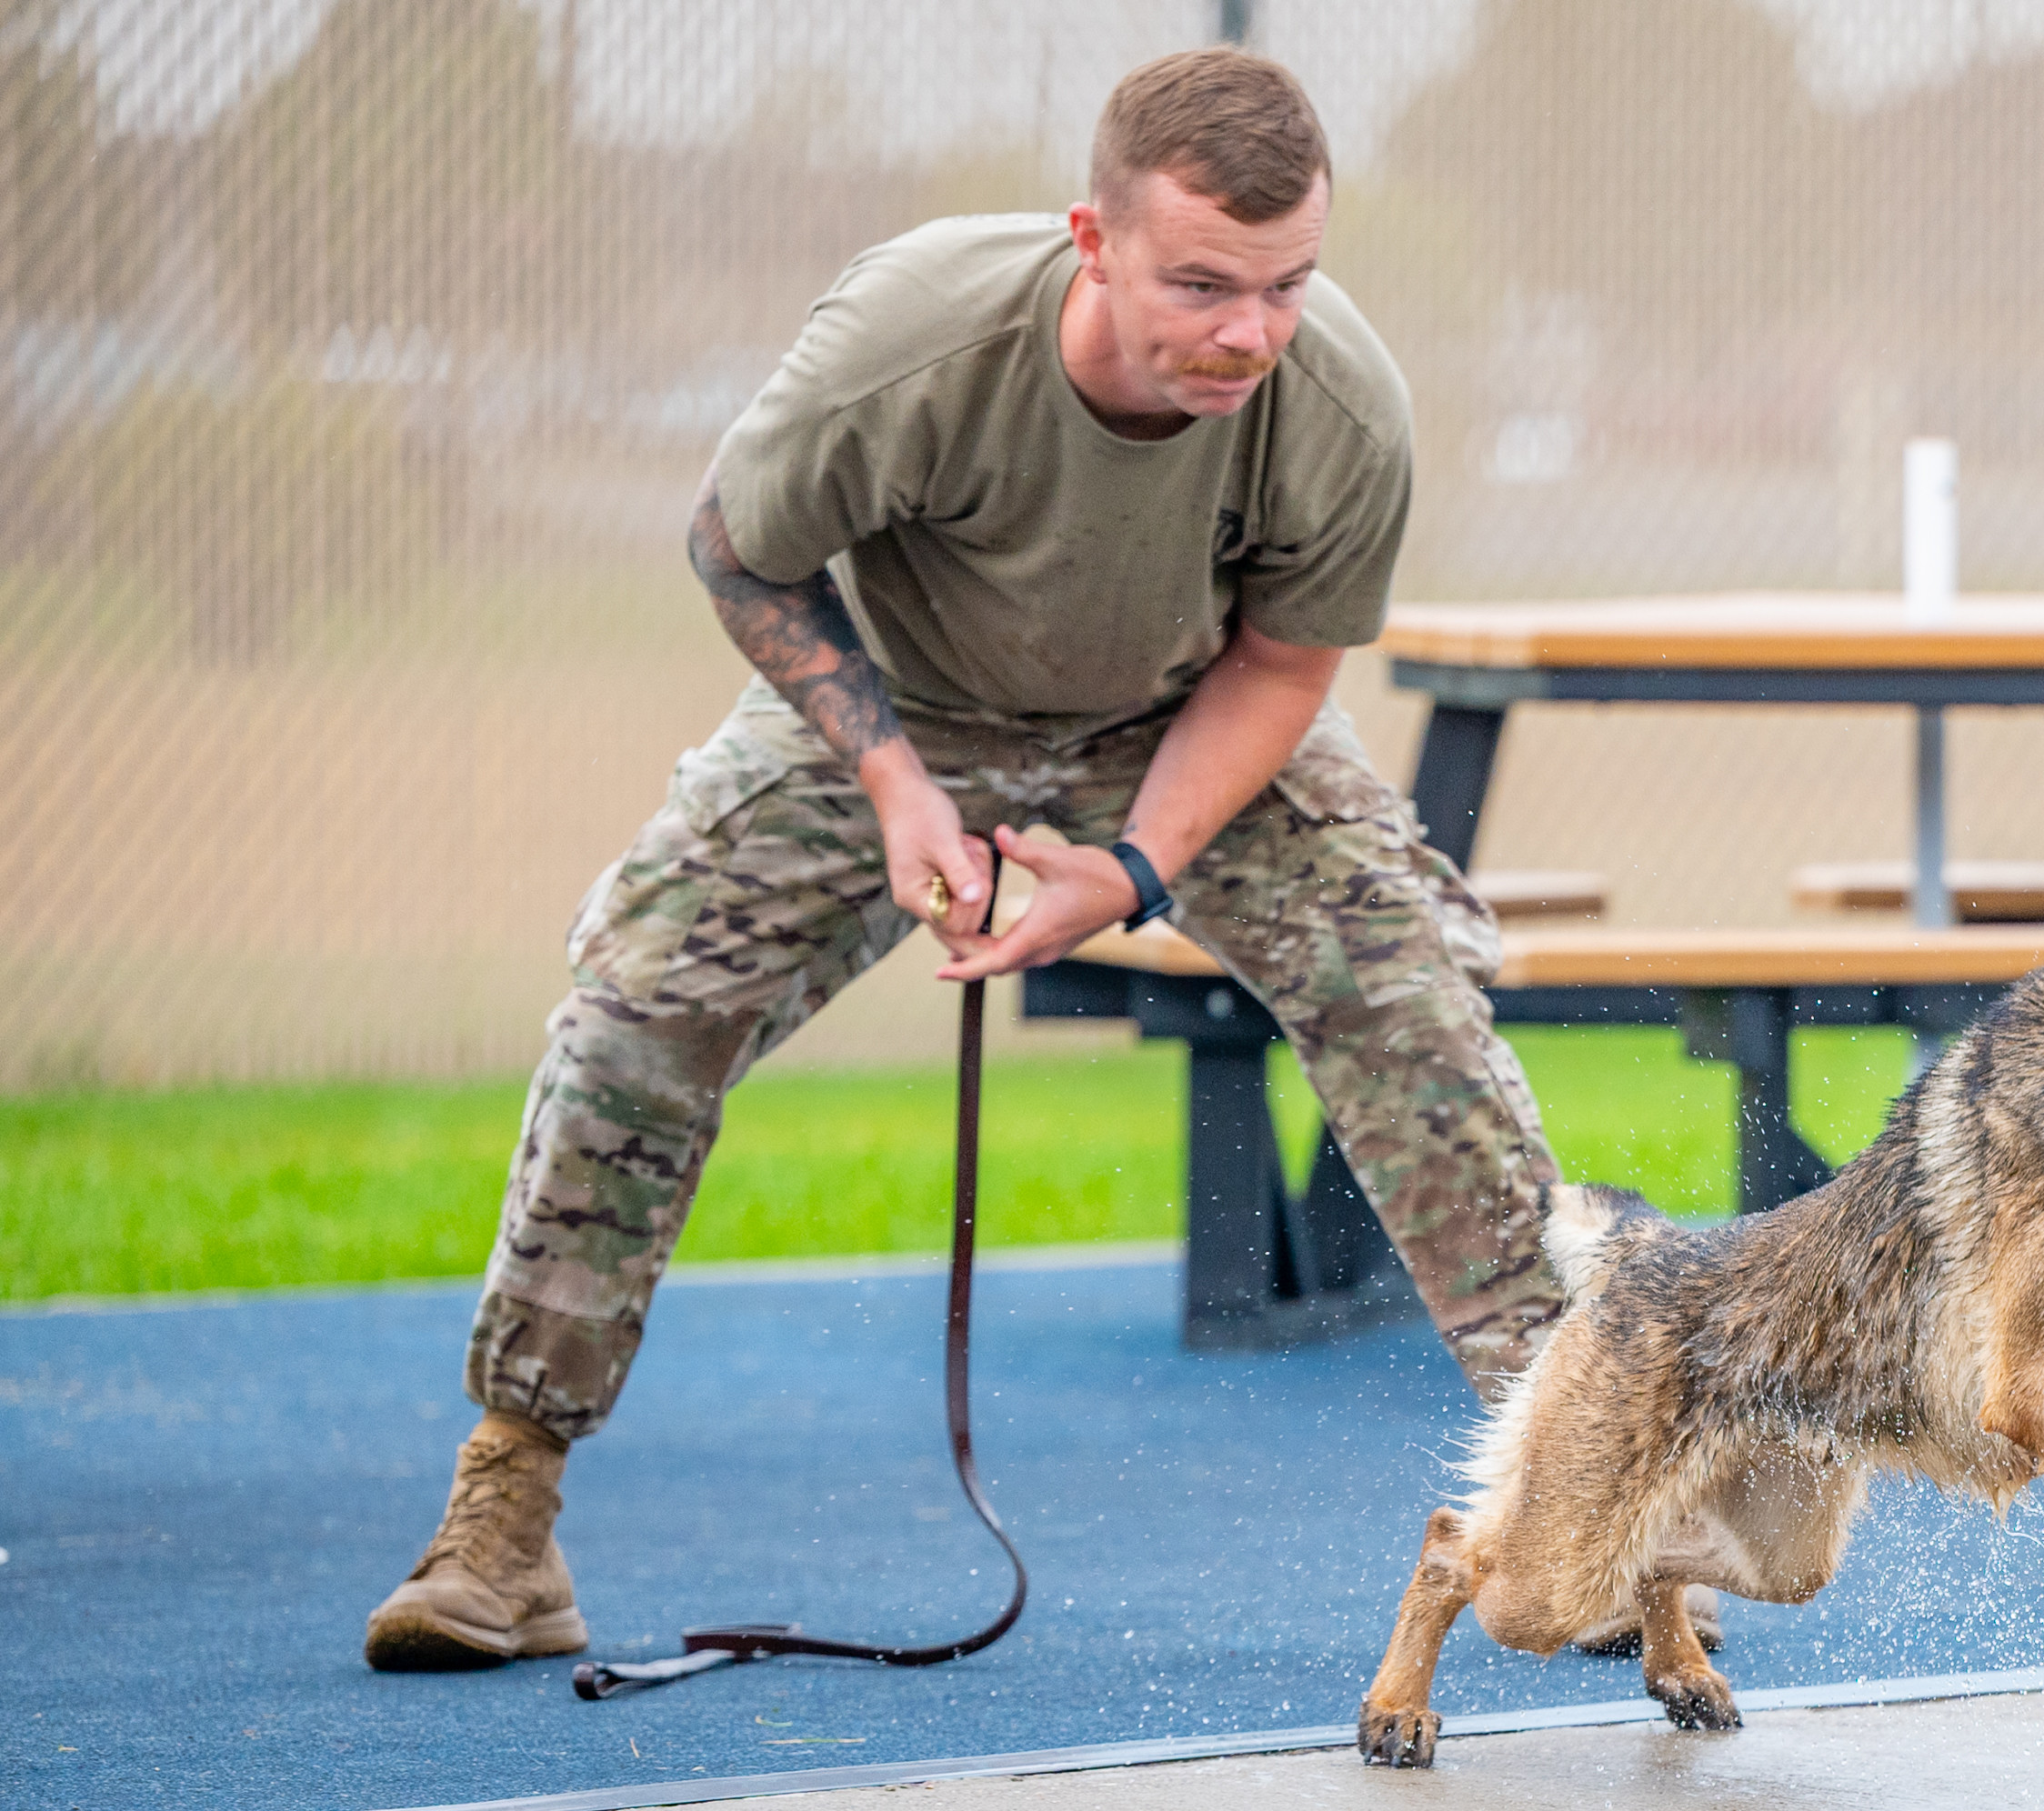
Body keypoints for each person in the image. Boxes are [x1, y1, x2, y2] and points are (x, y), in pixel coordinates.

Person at [361, 48, 1578, 1671]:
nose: (1248, 332)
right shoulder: (915, 341)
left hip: (1178, 709)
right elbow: (739, 545)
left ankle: (1590, 1508)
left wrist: (1130, 874)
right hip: (895, 701)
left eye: (1286, 285)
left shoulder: (1337, 401)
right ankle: (505, 1521)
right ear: (1094, 238)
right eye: (1202, 283)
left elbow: (1284, 669)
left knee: (1412, 1001)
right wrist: (886, 780)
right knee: (639, 998)